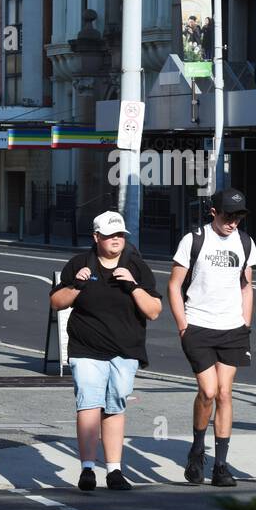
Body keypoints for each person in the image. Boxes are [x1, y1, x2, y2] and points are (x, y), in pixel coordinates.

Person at [51, 211, 162, 492]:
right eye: (110, 235)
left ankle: (114, 470)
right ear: (96, 237)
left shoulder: (136, 266)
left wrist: (133, 286)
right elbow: (56, 302)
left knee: (115, 405)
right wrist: (77, 285)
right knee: (89, 402)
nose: (116, 240)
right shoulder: (80, 263)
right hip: (86, 347)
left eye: (120, 235)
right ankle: (88, 469)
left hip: (125, 349)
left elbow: (154, 311)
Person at [168, 187, 256, 487]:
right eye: (227, 216)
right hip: (199, 325)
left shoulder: (245, 243)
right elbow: (174, 284)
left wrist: (245, 323)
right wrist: (183, 325)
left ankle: (220, 466)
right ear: (213, 212)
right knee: (207, 392)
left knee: (224, 393)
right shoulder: (194, 239)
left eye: (239, 217)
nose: (233, 222)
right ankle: (197, 450)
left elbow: (247, 286)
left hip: (232, 328)